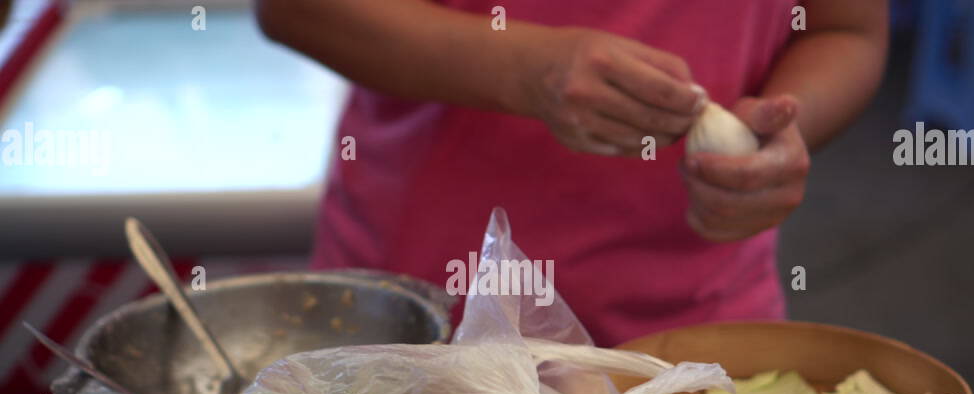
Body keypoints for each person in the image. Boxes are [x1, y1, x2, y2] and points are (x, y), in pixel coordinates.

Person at [255, 0, 888, 346]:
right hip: (427, 314)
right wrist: (521, 70)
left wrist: (782, 134)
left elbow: (845, 29)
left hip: (695, 325)